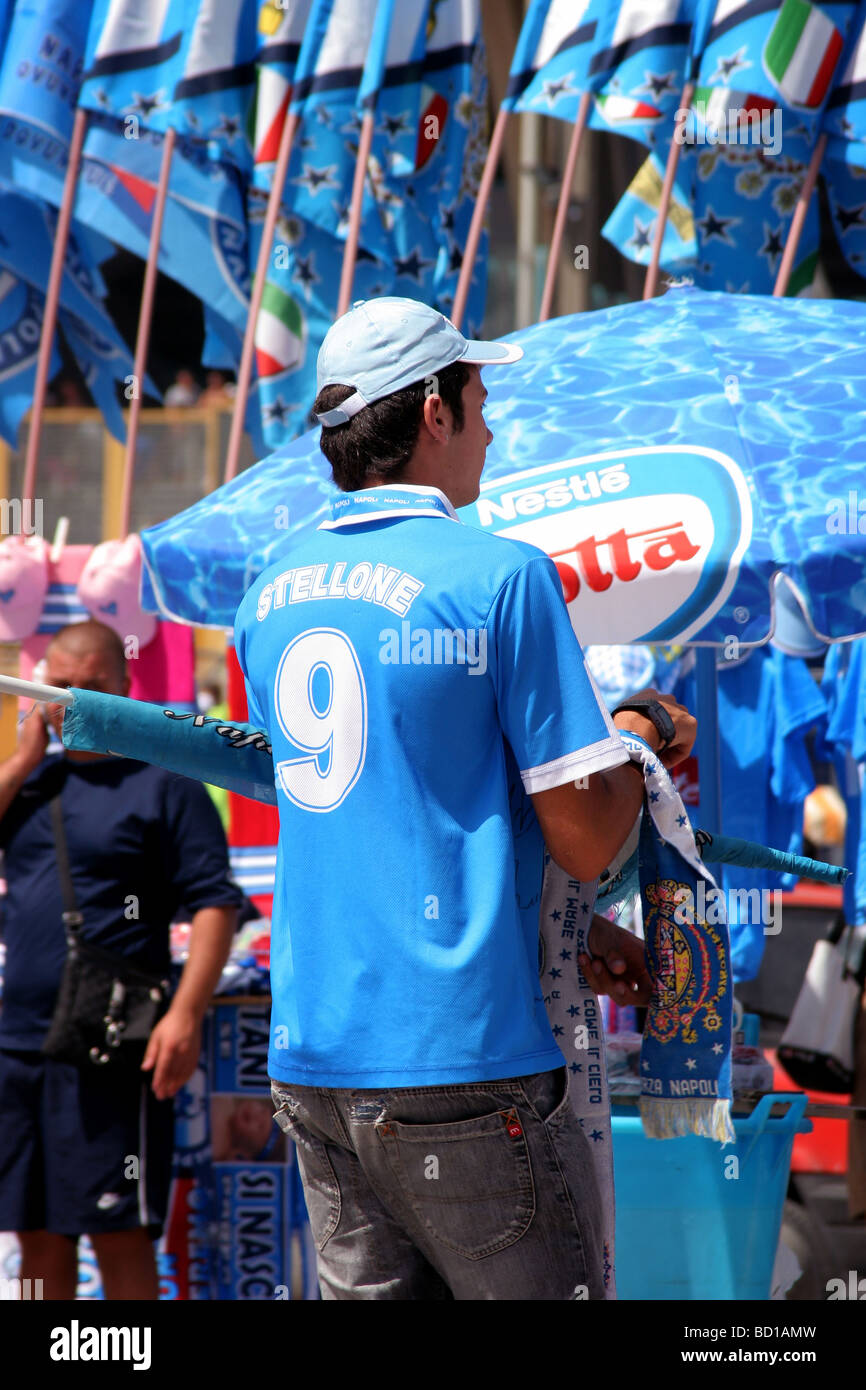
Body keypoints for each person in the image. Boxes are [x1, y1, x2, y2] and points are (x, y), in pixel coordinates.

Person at [234, 297, 696, 1300]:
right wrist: (641, 739)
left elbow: (395, 811)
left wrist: (564, 936)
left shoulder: (269, 588)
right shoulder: (500, 576)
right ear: (432, 413)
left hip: (315, 1052)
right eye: (478, 396)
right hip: (461, 1061)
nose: (490, 422)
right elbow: (582, 839)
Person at [0, 620, 243, 1300]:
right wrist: (20, 762)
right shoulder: (28, 784)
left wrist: (185, 1016)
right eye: (61, 685)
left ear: (125, 686)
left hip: (113, 1045)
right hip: (19, 1045)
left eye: (92, 686)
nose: (73, 700)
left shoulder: (167, 786)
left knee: (120, 1233)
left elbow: (215, 905)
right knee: (36, 1235)